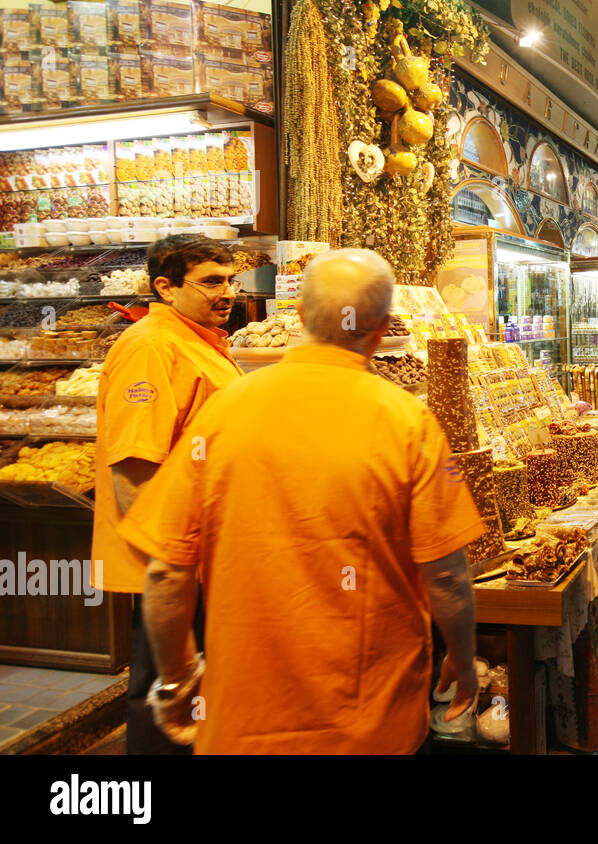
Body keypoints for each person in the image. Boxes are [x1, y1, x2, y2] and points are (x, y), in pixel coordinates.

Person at [120, 249, 485, 754]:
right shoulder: (406, 420)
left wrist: (178, 681)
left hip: (244, 720)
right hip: (368, 721)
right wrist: (463, 662)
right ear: (380, 330)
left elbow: (166, 572)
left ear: (300, 317)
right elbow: (445, 575)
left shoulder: (225, 409)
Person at [89, 234, 243, 754]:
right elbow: (134, 470)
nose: (227, 293)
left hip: (201, 559)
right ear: (165, 286)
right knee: (167, 693)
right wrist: (170, 566)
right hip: (175, 565)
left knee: (195, 692)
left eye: (231, 280)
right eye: (211, 282)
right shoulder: (152, 347)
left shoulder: (196, 338)